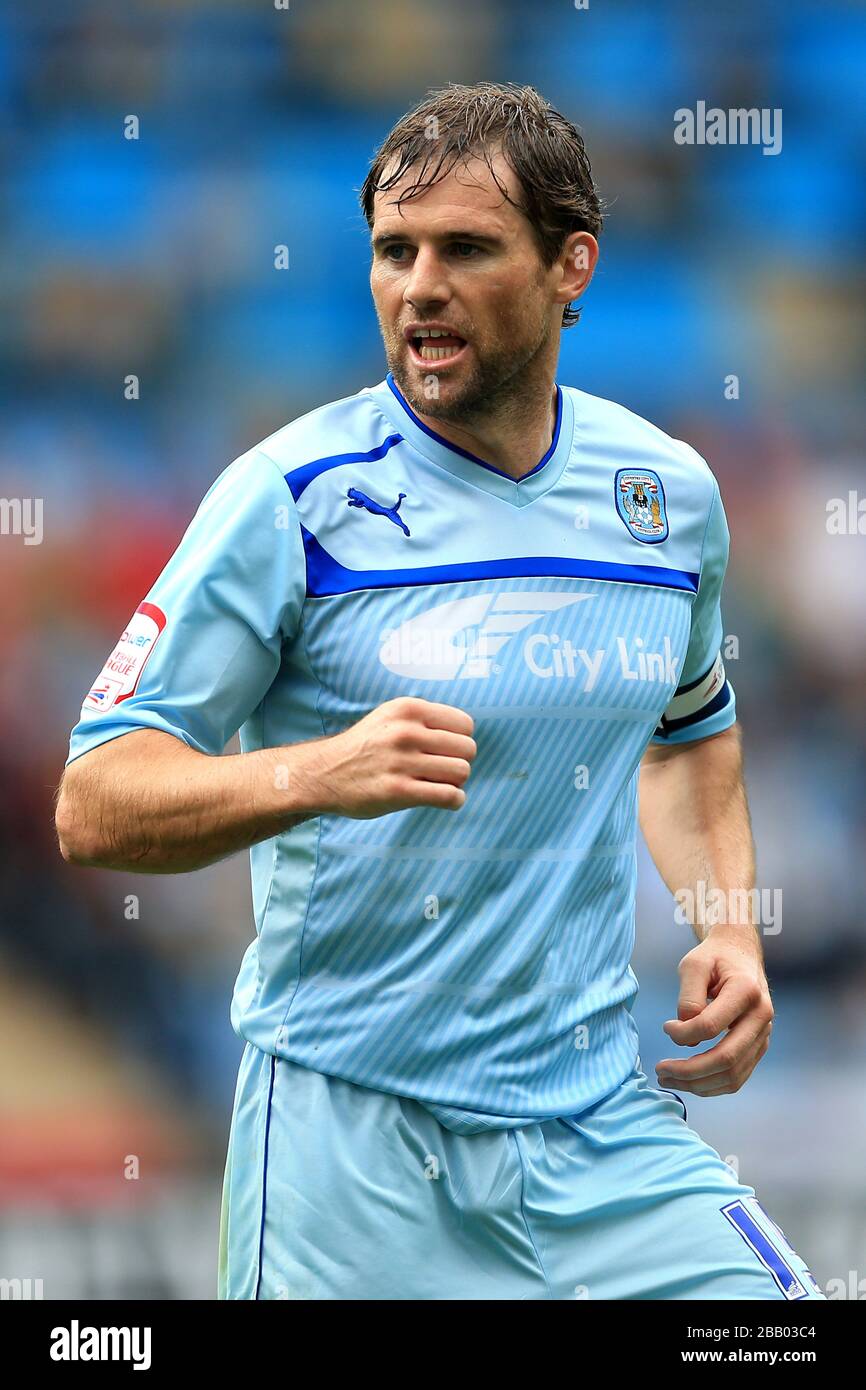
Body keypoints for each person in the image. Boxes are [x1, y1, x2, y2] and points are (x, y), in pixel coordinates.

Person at [56, 82, 824, 1301]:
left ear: (571, 265)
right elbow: (94, 800)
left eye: (464, 248)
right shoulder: (289, 498)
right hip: (346, 1153)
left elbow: (686, 736)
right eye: (392, 251)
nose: (418, 286)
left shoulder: (664, 499)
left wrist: (726, 923)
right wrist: (319, 772)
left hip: (595, 1130)